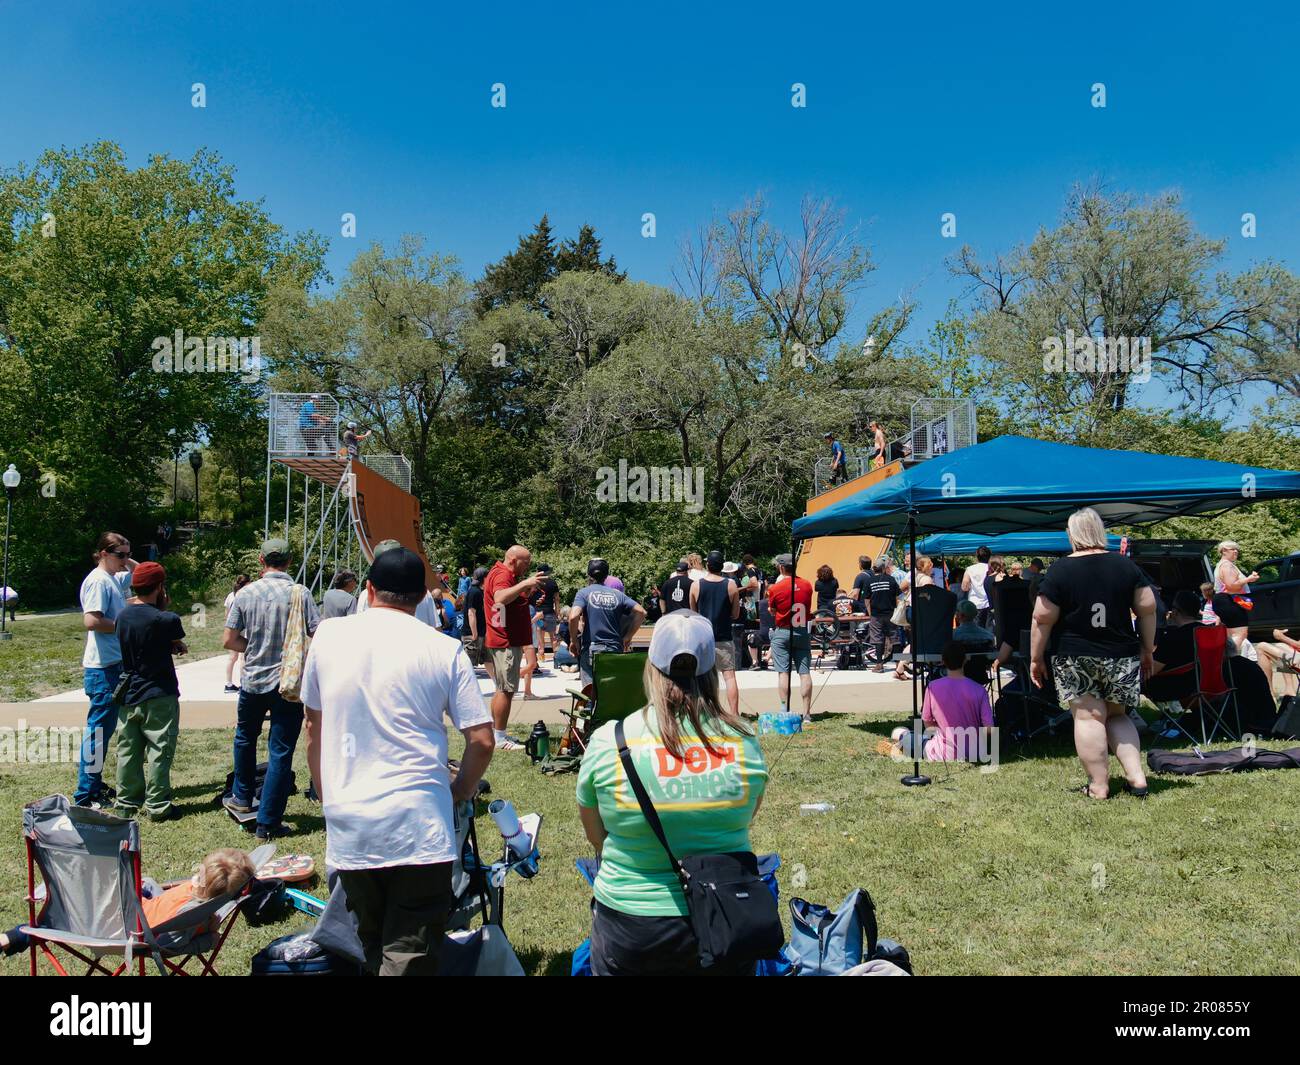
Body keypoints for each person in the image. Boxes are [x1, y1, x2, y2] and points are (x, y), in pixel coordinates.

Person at [303, 546, 494, 976]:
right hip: (418, 825)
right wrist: (460, 790)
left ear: (369, 590)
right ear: (422, 596)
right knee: (409, 953)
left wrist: (326, 791)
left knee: (367, 943)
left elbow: (312, 728)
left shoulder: (328, 637)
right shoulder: (443, 649)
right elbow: (481, 740)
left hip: (349, 818)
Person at [576, 609, 766, 976]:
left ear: (651, 667)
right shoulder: (745, 742)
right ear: (712, 671)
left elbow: (596, 836)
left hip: (630, 920)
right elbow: (745, 817)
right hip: (723, 916)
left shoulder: (609, 741)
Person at [1031, 507, 1156, 800]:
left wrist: (1036, 657)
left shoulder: (1060, 569)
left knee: (1089, 718)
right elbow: (1148, 606)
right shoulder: (1125, 566)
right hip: (1120, 652)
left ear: (1072, 534)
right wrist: (1147, 647)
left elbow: (1042, 617)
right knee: (1118, 715)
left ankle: (1099, 786)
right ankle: (1137, 778)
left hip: (1076, 654)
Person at [223, 538, 321, 839]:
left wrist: (252, 648)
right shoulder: (300, 593)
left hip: (252, 680)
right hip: (287, 684)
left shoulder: (245, 593)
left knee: (244, 738)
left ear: (260, 561)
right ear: (290, 562)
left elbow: (229, 640)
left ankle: (242, 796)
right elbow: (316, 634)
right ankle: (268, 821)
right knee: (280, 751)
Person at [1, 847, 256, 956]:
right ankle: (46, 904)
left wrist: (206, 938)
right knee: (144, 883)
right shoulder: (195, 911)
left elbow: (170, 938)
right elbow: (170, 941)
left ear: (203, 883)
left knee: (87, 902)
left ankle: (46, 901)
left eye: (199, 874)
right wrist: (209, 939)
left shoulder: (191, 912)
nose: (194, 875)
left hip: (121, 922)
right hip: (130, 925)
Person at [113, 562, 186, 821]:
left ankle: (126, 802)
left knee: (128, 751)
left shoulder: (122, 615)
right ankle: (157, 805)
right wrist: (162, 606)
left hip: (129, 691)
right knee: (159, 749)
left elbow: (143, 641)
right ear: (159, 587)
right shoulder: (165, 618)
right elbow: (166, 630)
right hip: (159, 692)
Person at [75, 532, 138, 808]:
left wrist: (125, 558)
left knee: (104, 731)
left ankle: (94, 783)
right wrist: (125, 626)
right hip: (103, 669)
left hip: (112, 664)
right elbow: (91, 620)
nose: (126, 560)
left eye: (127, 553)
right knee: (98, 733)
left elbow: (141, 573)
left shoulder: (112, 577)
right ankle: (86, 795)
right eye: (120, 555)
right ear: (102, 554)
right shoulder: (99, 581)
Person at [891, 642, 993, 761]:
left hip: (942, 752)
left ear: (943, 661)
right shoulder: (979, 690)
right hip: (975, 751)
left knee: (899, 733)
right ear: (965, 660)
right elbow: (989, 728)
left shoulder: (933, 687)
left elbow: (927, 723)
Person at [483, 545, 540, 750]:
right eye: (526, 563)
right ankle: (499, 738)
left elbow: (506, 604)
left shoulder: (502, 573)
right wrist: (525, 583)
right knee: (506, 690)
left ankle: (497, 732)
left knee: (502, 690)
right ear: (514, 559)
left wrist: (526, 591)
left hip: (504, 639)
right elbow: (500, 598)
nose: (528, 566)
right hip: (505, 641)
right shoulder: (502, 574)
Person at [571, 558, 646, 687]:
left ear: (589, 574)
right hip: (614, 648)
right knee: (611, 690)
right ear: (606, 575)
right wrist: (628, 636)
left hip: (592, 647)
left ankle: (591, 706)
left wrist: (574, 640)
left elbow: (573, 617)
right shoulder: (618, 595)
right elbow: (642, 612)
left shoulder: (583, 593)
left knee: (590, 691)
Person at [689, 551, 741, 715]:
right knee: (729, 677)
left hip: (703, 638)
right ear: (722, 566)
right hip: (724, 636)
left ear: (707, 565)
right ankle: (734, 713)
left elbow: (693, 613)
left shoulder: (696, 585)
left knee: (702, 678)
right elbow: (736, 614)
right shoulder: (731, 584)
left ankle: (704, 712)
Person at [768, 553, 814, 718]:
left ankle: (784, 710)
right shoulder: (807, 585)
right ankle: (807, 713)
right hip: (801, 630)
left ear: (781, 568)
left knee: (783, 673)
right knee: (804, 672)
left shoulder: (775, 588)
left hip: (783, 630)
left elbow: (773, 610)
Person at [355, 540, 440, 626]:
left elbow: (359, 625)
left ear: (369, 588)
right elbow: (436, 627)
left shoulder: (365, 594)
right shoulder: (424, 593)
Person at [893, 556, 935, 680]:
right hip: (921, 611)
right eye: (931, 565)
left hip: (911, 609)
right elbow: (928, 597)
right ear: (927, 566)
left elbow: (903, 587)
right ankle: (902, 666)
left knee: (915, 641)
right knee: (920, 640)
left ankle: (901, 667)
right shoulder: (926, 579)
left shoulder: (913, 575)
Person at [1212, 541, 1258, 650]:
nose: (1236, 551)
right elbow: (1231, 586)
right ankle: (1233, 660)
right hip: (1230, 601)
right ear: (1224, 551)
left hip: (1226, 600)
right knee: (1239, 634)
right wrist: (1249, 579)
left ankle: (1228, 661)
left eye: (1237, 549)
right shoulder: (1227, 565)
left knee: (1230, 635)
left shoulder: (1223, 564)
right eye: (1232, 549)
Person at [866, 559, 900, 672]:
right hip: (891, 613)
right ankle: (898, 665)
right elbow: (898, 596)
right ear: (883, 568)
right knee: (894, 638)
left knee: (877, 639)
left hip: (876, 614)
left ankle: (879, 664)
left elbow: (867, 599)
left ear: (873, 568)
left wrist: (870, 613)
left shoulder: (869, 581)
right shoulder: (891, 579)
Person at [223, 575, 252, 693]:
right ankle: (242, 684)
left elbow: (227, 614)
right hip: (243, 627)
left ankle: (228, 683)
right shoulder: (246, 594)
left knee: (232, 657)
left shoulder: (231, 595)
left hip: (232, 627)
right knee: (242, 658)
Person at [530, 563, 561, 662]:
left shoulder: (534, 583)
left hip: (537, 614)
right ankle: (556, 658)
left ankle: (541, 656)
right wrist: (557, 612)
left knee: (539, 637)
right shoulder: (552, 583)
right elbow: (556, 599)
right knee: (553, 637)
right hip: (549, 613)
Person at [462, 566, 489, 669]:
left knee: (487, 659)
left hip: (481, 633)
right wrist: (474, 633)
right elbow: (471, 613)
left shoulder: (480, 591)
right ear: (484, 578)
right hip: (472, 633)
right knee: (469, 664)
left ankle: (496, 682)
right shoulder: (474, 592)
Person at [962, 546, 992, 630]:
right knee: (989, 630)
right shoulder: (991, 568)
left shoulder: (970, 569)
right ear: (989, 556)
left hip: (974, 603)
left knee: (976, 630)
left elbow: (964, 587)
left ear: (977, 556)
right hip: (989, 603)